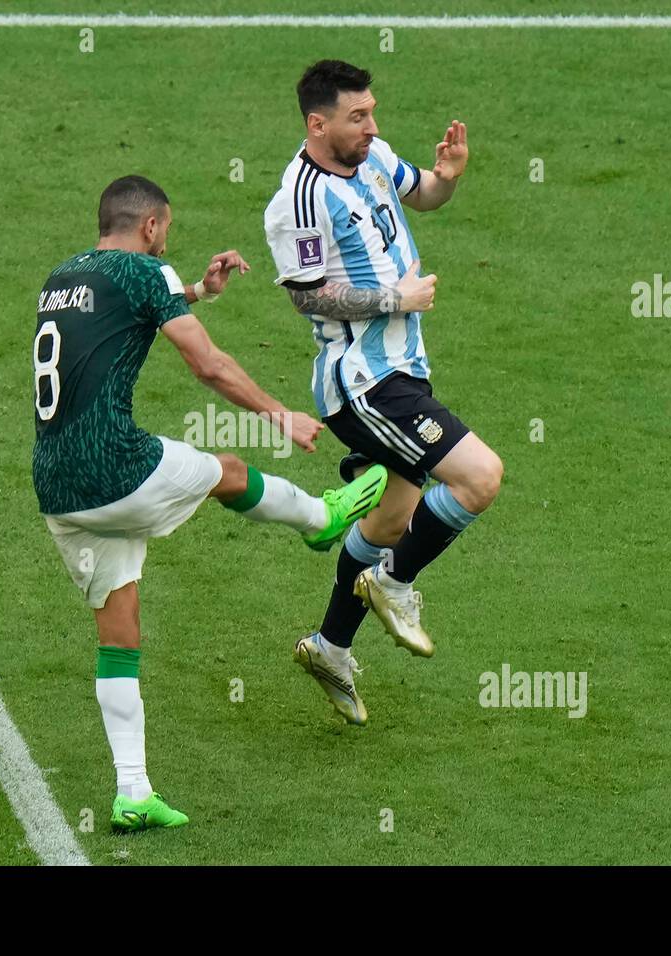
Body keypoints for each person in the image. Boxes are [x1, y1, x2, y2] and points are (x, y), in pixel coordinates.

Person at [33, 175, 388, 830]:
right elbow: (208, 366)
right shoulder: (145, 271)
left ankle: (133, 792)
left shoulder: (64, 276)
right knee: (225, 469)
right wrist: (282, 415)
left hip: (57, 487)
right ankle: (322, 519)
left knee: (120, 629)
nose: (167, 239)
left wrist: (196, 291)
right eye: (166, 229)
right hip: (114, 470)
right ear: (151, 226)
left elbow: (117, 322)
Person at [263, 60, 504, 725]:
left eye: (372, 112)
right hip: (364, 383)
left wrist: (449, 176)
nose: (371, 126)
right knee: (480, 477)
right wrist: (393, 296)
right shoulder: (299, 199)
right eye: (356, 117)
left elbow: (421, 193)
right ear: (318, 125)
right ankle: (394, 585)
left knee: (393, 518)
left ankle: (330, 645)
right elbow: (306, 295)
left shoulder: (372, 157)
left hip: (405, 369)